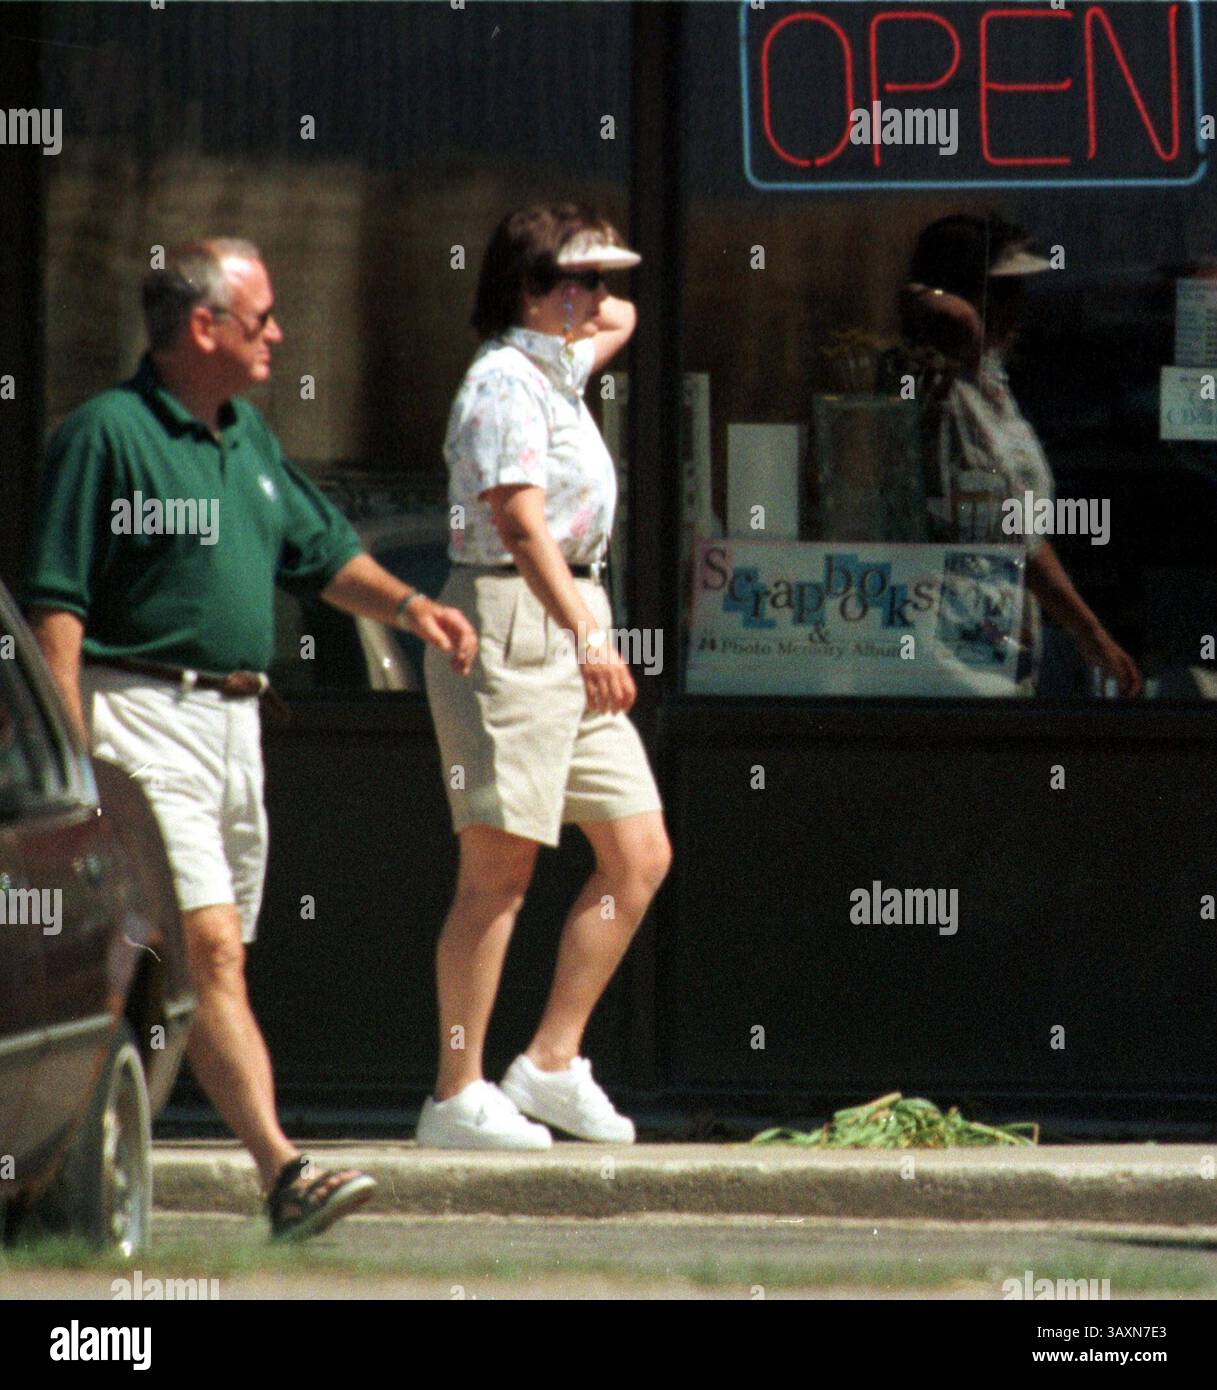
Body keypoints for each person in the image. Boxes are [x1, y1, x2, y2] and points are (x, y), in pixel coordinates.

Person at [23, 238, 478, 1237]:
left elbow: (320, 554)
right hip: (138, 714)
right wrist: (65, 763)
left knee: (184, 967)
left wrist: (413, 609)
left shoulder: (249, 441)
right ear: (203, 327)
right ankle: (284, 1174)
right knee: (210, 953)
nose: (278, 334)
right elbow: (55, 608)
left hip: (236, 726)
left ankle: (82, 1169)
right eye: (261, 316)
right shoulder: (102, 436)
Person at [419, 203, 672, 1149]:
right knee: (498, 871)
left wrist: (585, 250)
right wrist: (588, 641)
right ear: (531, 288)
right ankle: (454, 1094)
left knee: (636, 853)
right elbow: (520, 524)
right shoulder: (502, 384)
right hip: (519, 618)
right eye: (582, 278)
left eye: (602, 277)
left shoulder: (554, 366)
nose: (604, 296)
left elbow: (622, 317)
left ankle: (549, 1064)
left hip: (572, 619)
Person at [896, 212, 1142, 698]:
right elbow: (1013, 529)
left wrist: (1086, 631)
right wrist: (1089, 631)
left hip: (999, 644)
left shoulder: (992, 386)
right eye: (1002, 293)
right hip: (952, 660)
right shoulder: (937, 392)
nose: (1018, 306)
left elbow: (1024, 529)